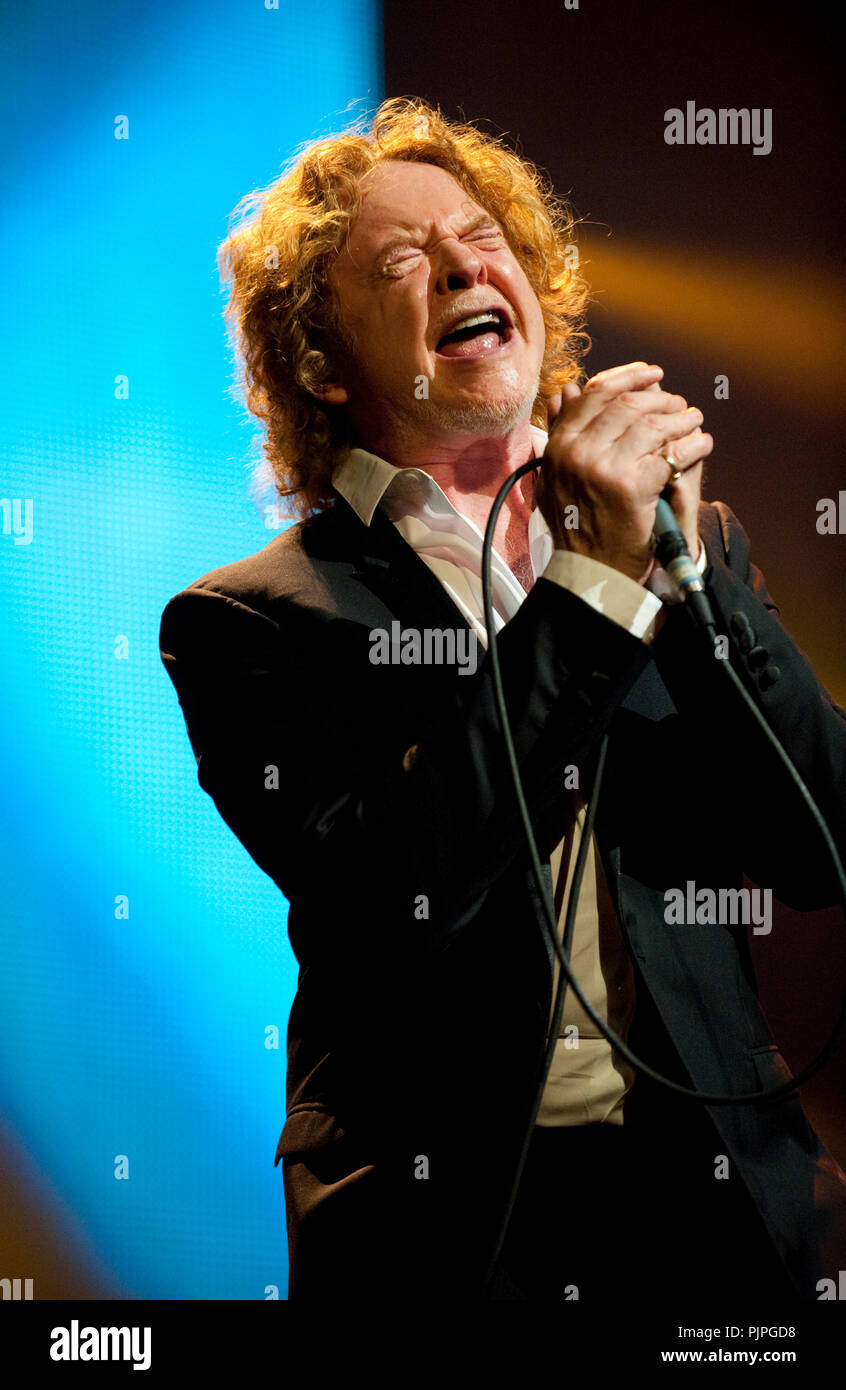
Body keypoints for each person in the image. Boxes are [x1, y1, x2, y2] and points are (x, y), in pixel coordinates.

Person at [159, 97, 846, 1303]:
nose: (470, 265)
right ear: (318, 361)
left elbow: (824, 839)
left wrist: (688, 582)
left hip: (722, 1204)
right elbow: (397, 885)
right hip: (450, 1231)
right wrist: (585, 587)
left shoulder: (687, 543)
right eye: (404, 261)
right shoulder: (251, 619)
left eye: (483, 238)